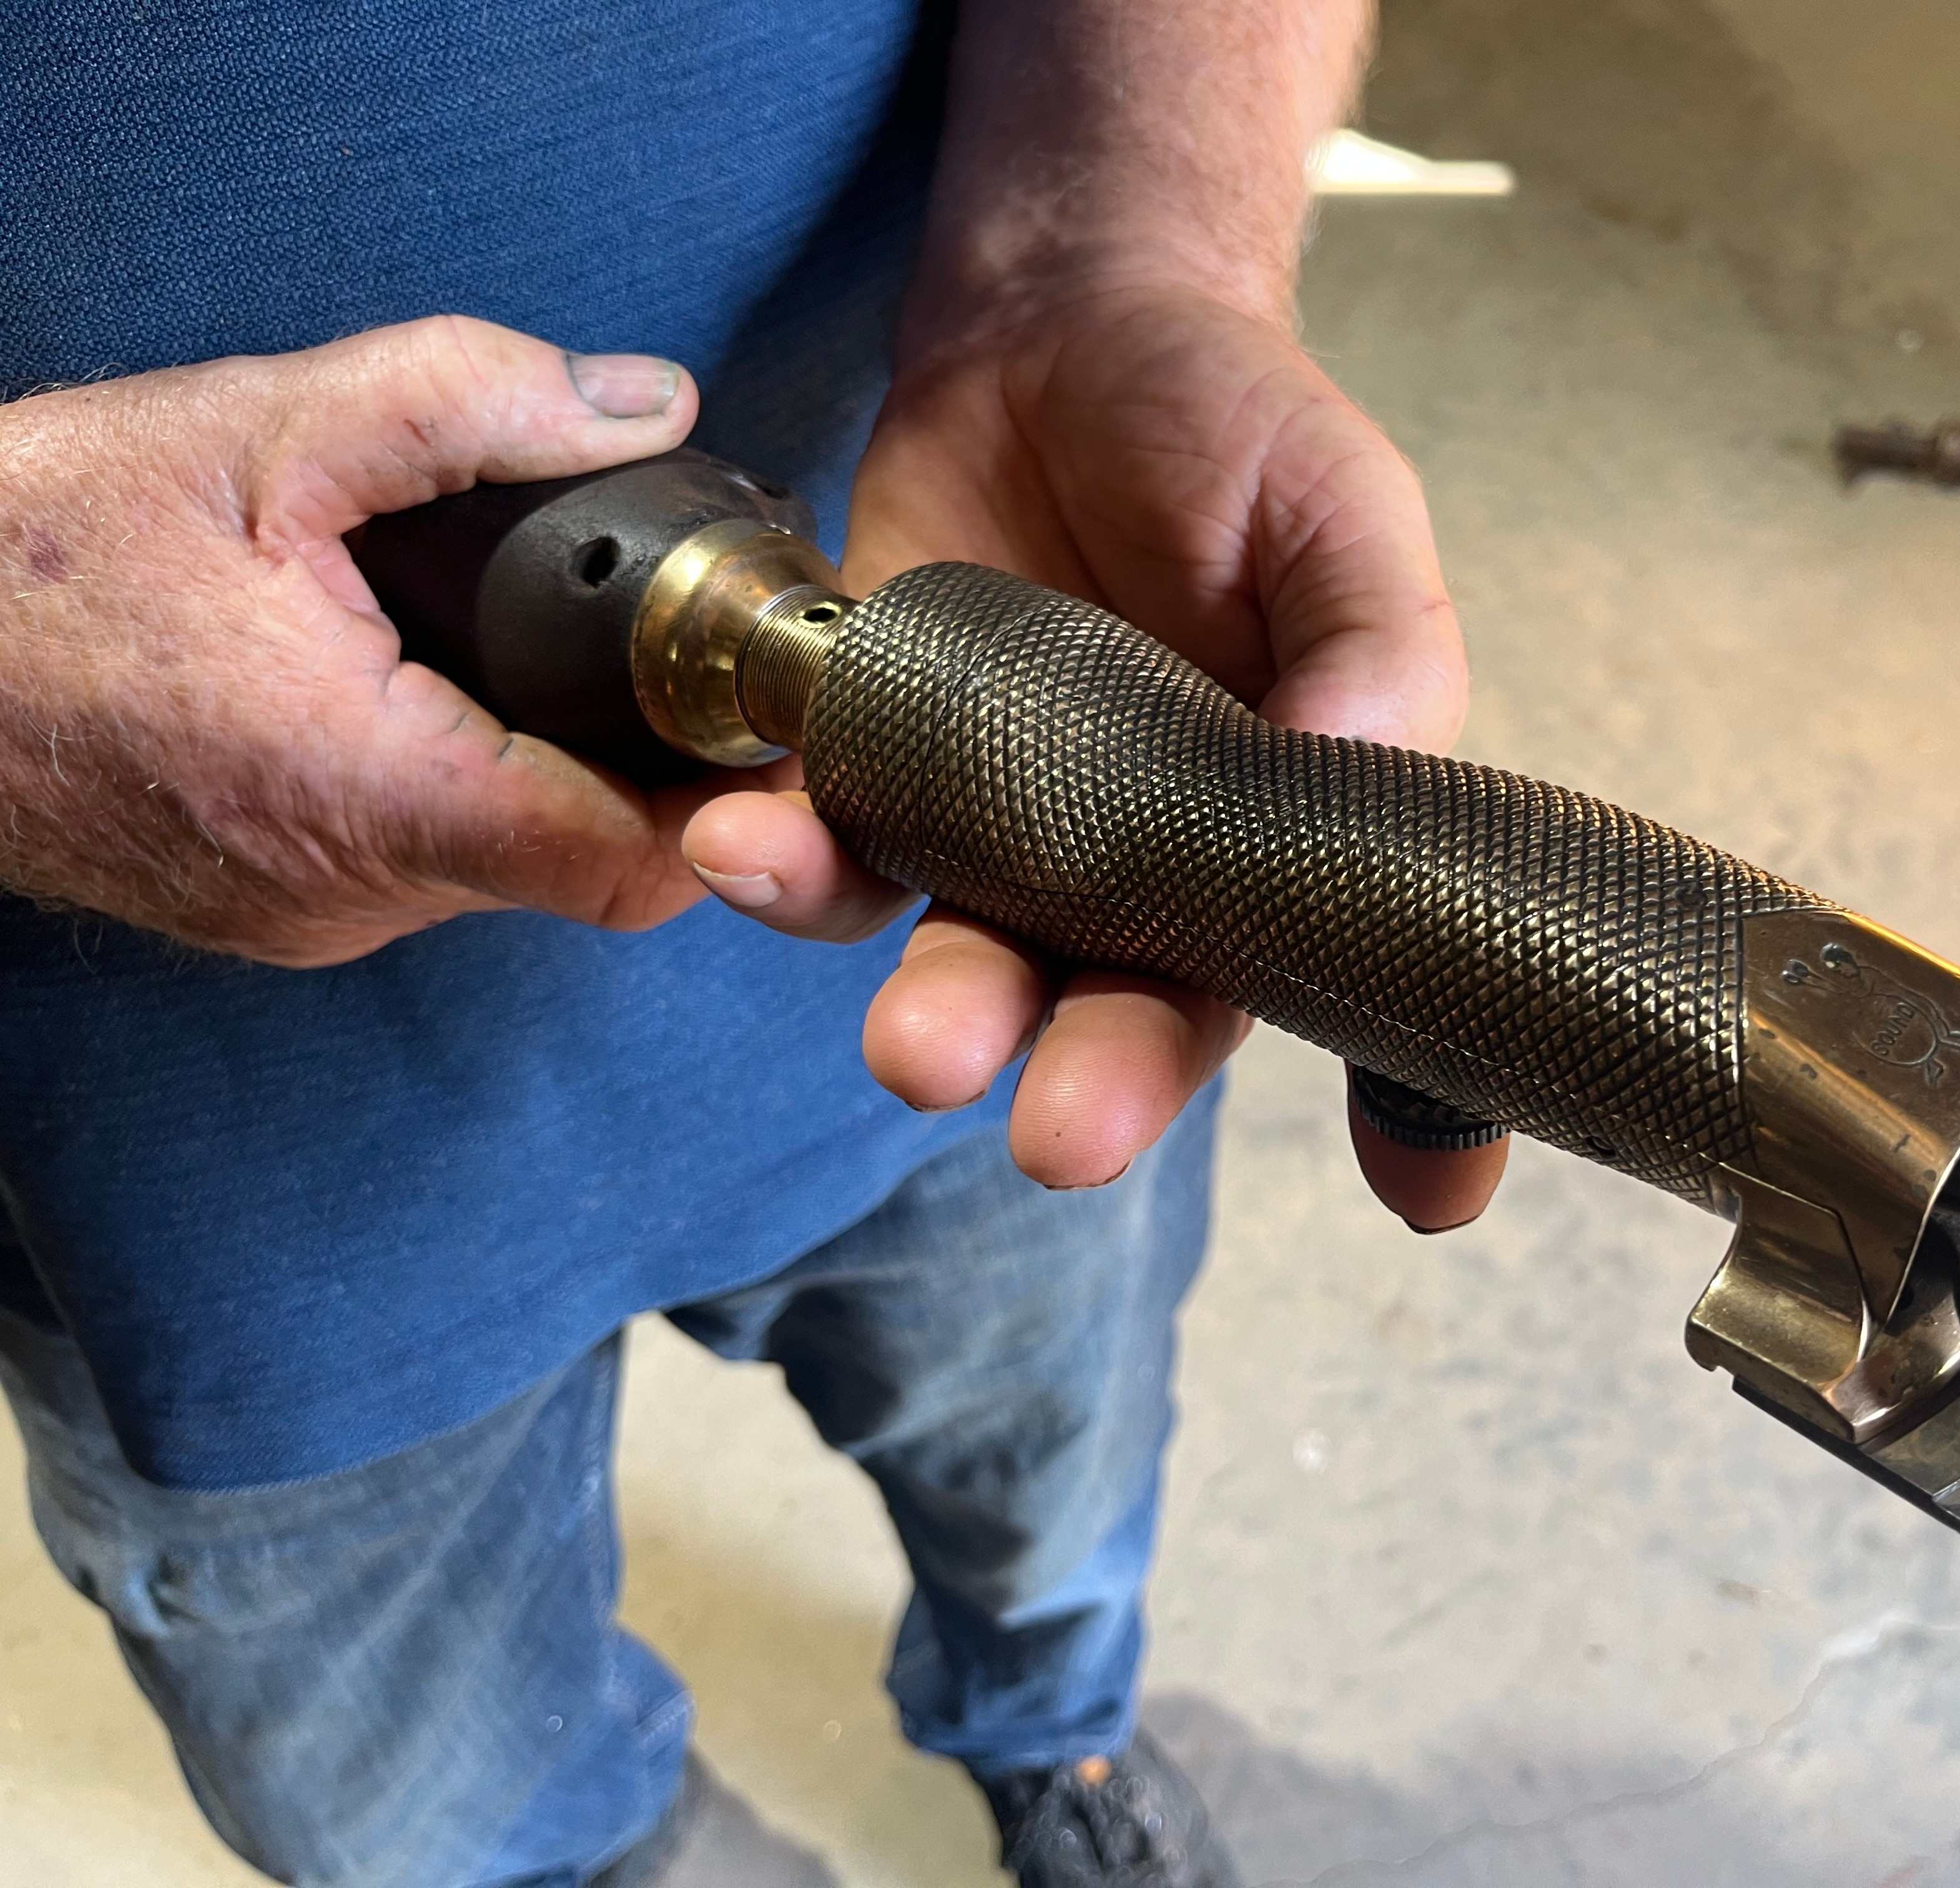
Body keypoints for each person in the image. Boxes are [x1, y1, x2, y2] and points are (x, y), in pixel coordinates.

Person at [0, 3, 1504, 1884]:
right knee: (443, 1798)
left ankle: (1055, 1736)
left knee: (1047, 1491)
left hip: (968, 882)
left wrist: (1128, 233)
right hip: (185, 1127)